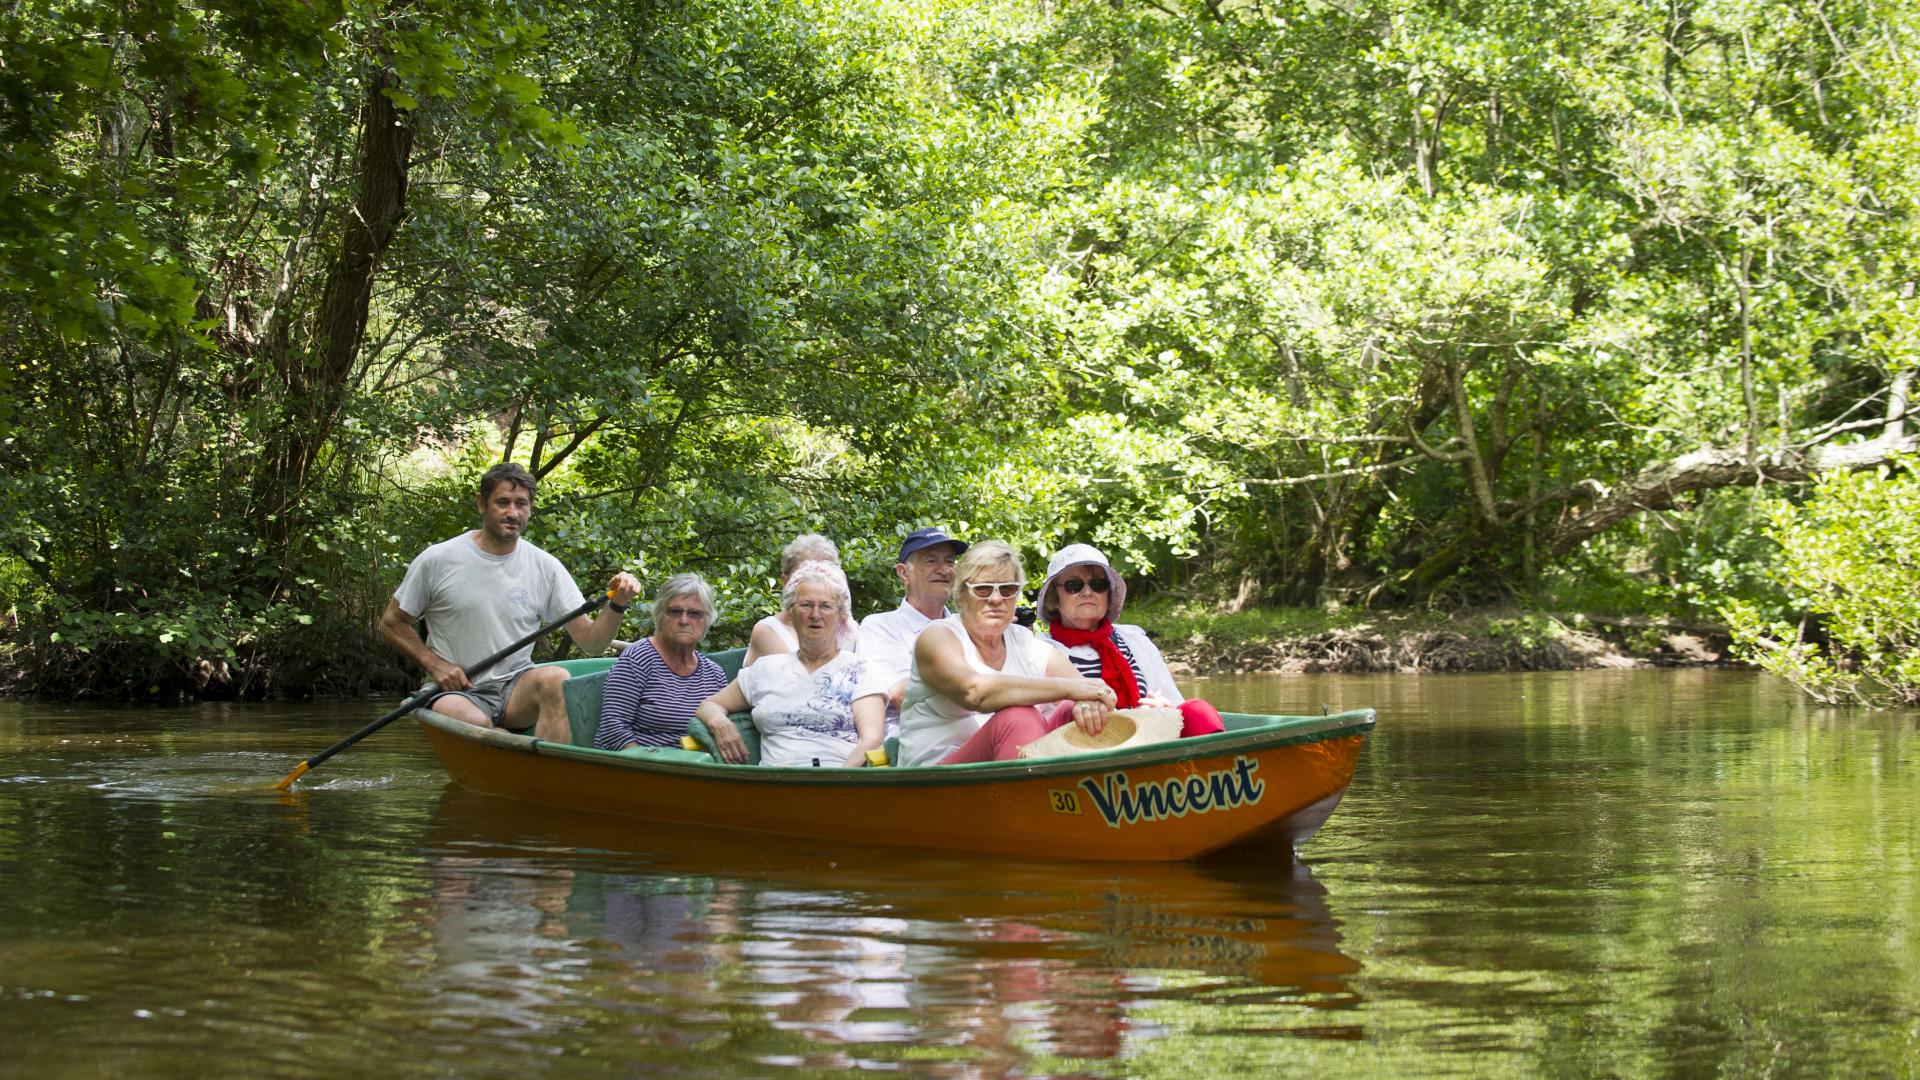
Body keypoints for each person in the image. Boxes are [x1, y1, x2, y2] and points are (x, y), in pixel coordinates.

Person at [380, 462, 640, 744]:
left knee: (556, 678)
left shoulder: (545, 566)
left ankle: (552, 773)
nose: (512, 513)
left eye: (521, 504)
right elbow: (392, 623)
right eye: (502, 502)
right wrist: (436, 665)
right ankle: (509, 747)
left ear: (530, 508)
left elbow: (592, 642)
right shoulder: (438, 559)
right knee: (478, 722)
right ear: (482, 504)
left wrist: (617, 604)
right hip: (455, 690)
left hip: (515, 687)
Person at [897, 540, 1117, 766]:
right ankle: (1033, 799)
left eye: (1007, 589)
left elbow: (1094, 693)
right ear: (961, 595)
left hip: (1001, 769)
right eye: (982, 589)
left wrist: (1087, 700)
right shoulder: (937, 637)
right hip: (936, 779)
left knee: (1076, 710)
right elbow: (976, 692)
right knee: (1018, 717)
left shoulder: (1024, 641)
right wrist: (1077, 689)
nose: (995, 599)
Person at [694, 561, 886, 767]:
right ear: (791, 614)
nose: (815, 614)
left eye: (826, 606)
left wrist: (837, 783)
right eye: (806, 605)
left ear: (840, 616)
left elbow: (871, 740)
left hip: (839, 783)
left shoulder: (860, 670)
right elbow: (709, 705)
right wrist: (720, 724)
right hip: (774, 785)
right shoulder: (765, 669)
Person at [1035, 544, 1226, 739]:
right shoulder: (1039, 650)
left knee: (1198, 711)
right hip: (1085, 742)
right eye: (1073, 585)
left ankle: (1219, 765)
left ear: (1108, 594)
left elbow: (1173, 703)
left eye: (1098, 584)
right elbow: (1040, 721)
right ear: (1054, 599)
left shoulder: (1133, 639)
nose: (1087, 592)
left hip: (1147, 735)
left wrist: (1164, 708)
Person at [595, 574, 731, 750]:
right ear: (659, 615)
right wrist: (652, 768)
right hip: (643, 768)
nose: (684, 620)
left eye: (695, 614)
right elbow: (613, 729)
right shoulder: (638, 658)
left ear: (708, 620)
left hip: (698, 768)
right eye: (674, 612)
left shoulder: (714, 674)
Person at [858, 526, 967, 717]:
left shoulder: (966, 627)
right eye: (931, 560)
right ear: (903, 573)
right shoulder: (879, 627)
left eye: (949, 561)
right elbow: (902, 696)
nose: (943, 570)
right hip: (913, 740)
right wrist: (980, 692)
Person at [742, 532, 854, 668]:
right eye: (805, 575)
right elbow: (805, 681)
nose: (815, 583)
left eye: (824, 575)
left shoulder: (848, 629)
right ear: (785, 582)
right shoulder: (767, 631)